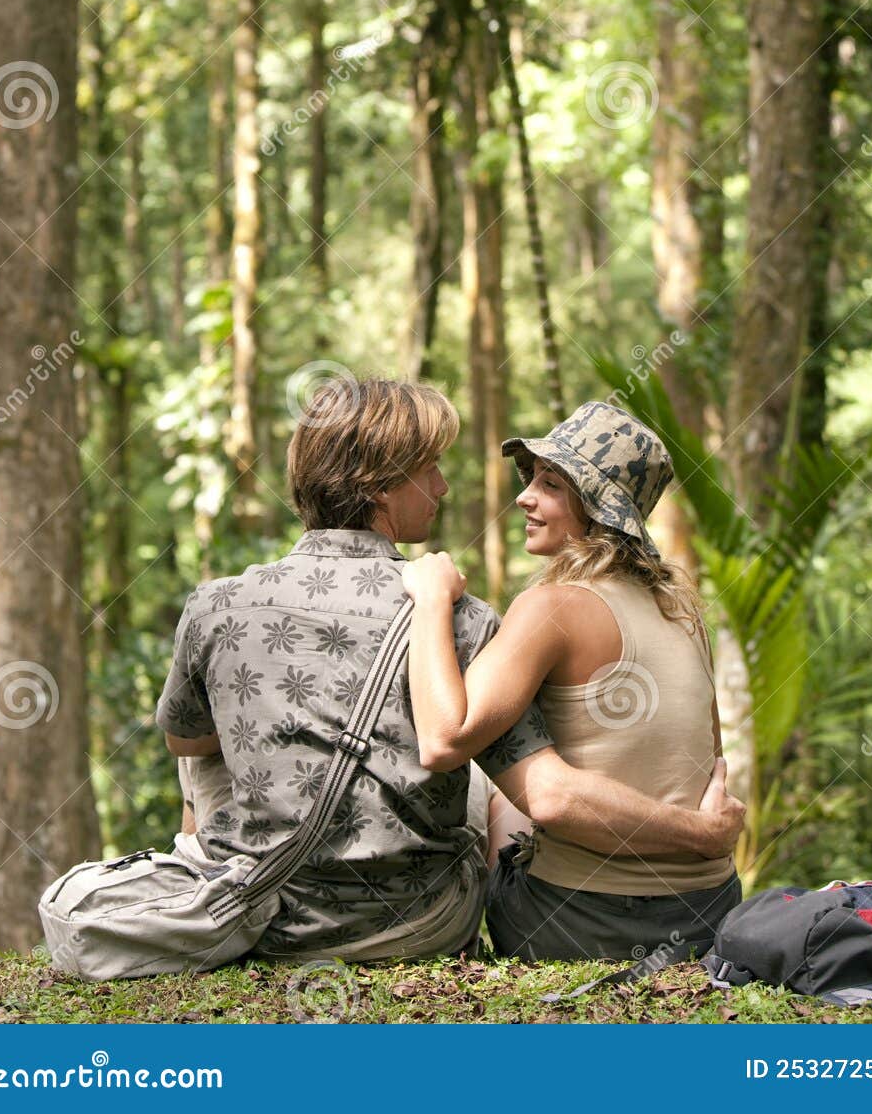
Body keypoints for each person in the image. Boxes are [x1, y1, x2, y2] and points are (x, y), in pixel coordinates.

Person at [156, 380, 744, 964]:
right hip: (426, 921)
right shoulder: (485, 617)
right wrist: (706, 834)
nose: (442, 485)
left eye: (549, 483)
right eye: (430, 468)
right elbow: (530, 779)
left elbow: (187, 741)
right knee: (499, 757)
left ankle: (206, 891)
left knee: (199, 739)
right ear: (379, 486)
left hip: (270, 913)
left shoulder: (216, 603)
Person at [401, 399, 744, 963]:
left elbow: (443, 738)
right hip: (709, 909)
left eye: (551, 484)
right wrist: (703, 836)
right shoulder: (683, 611)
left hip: (586, 919)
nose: (524, 498)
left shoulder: (552, 605)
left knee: (488, 782)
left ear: (597, 509)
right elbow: (703, 770)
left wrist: (433, 599)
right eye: (531, 478)